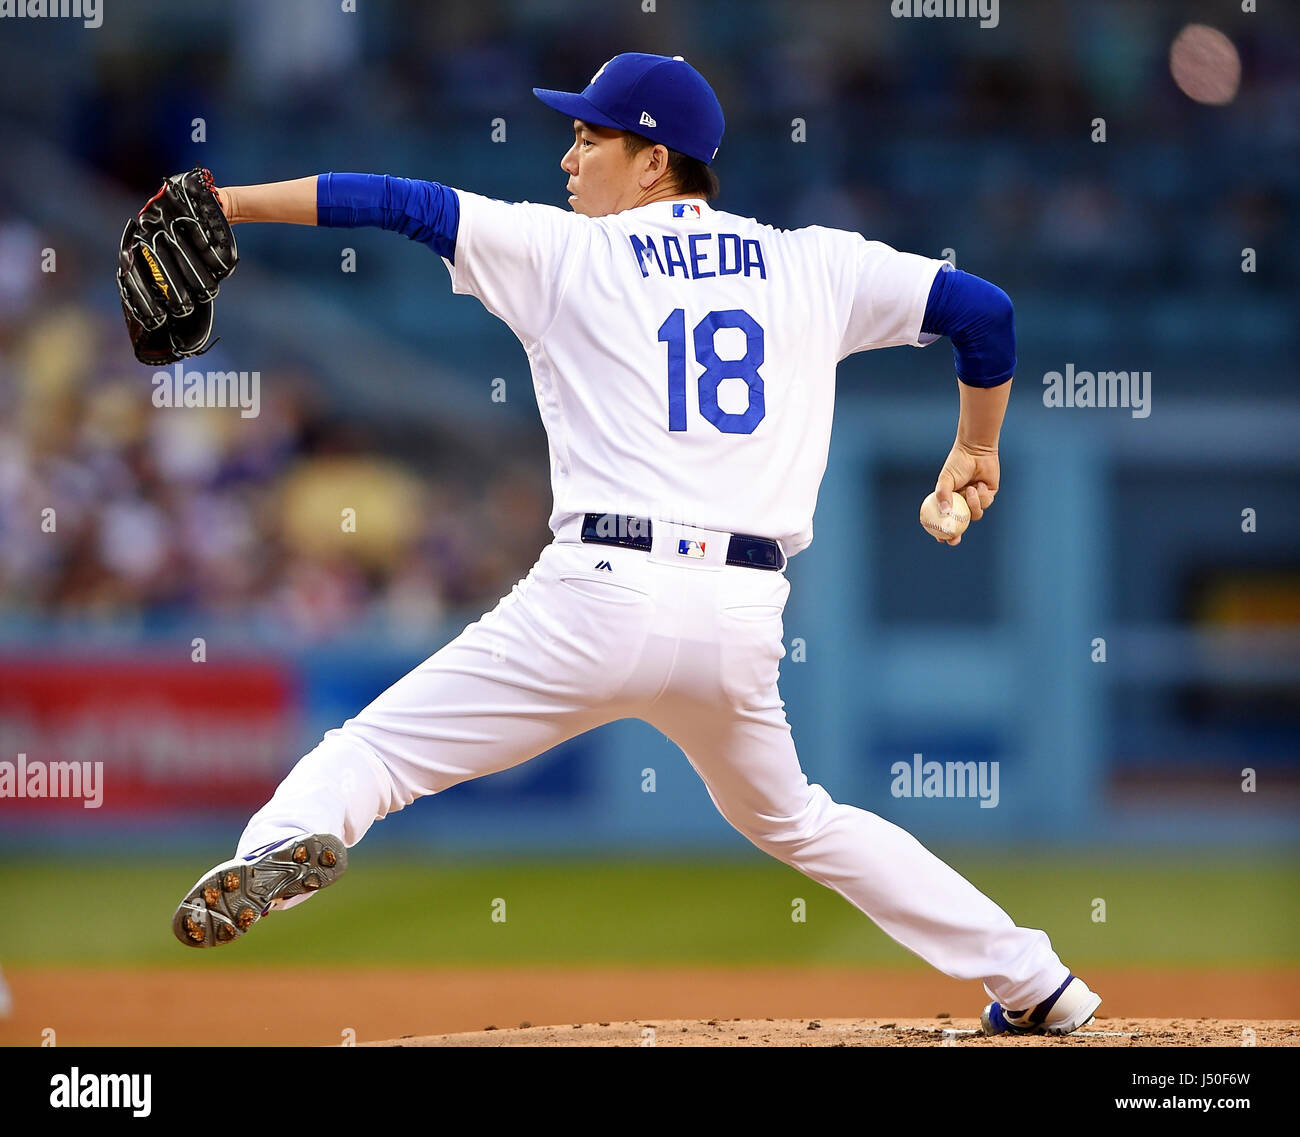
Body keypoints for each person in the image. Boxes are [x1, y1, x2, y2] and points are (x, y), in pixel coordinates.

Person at [171, 53, 1100, 1036]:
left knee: (372, 755)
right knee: (797, 821)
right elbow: (983, 312)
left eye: (589, 137)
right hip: (742, 614)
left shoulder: (564, 252)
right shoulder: (813, 262)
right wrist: (975, 446)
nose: (568, 157)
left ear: (653, 161)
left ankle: (284, 847)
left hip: (596, 595)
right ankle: (1036, 980)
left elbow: (398, 202)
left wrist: (227, 202)